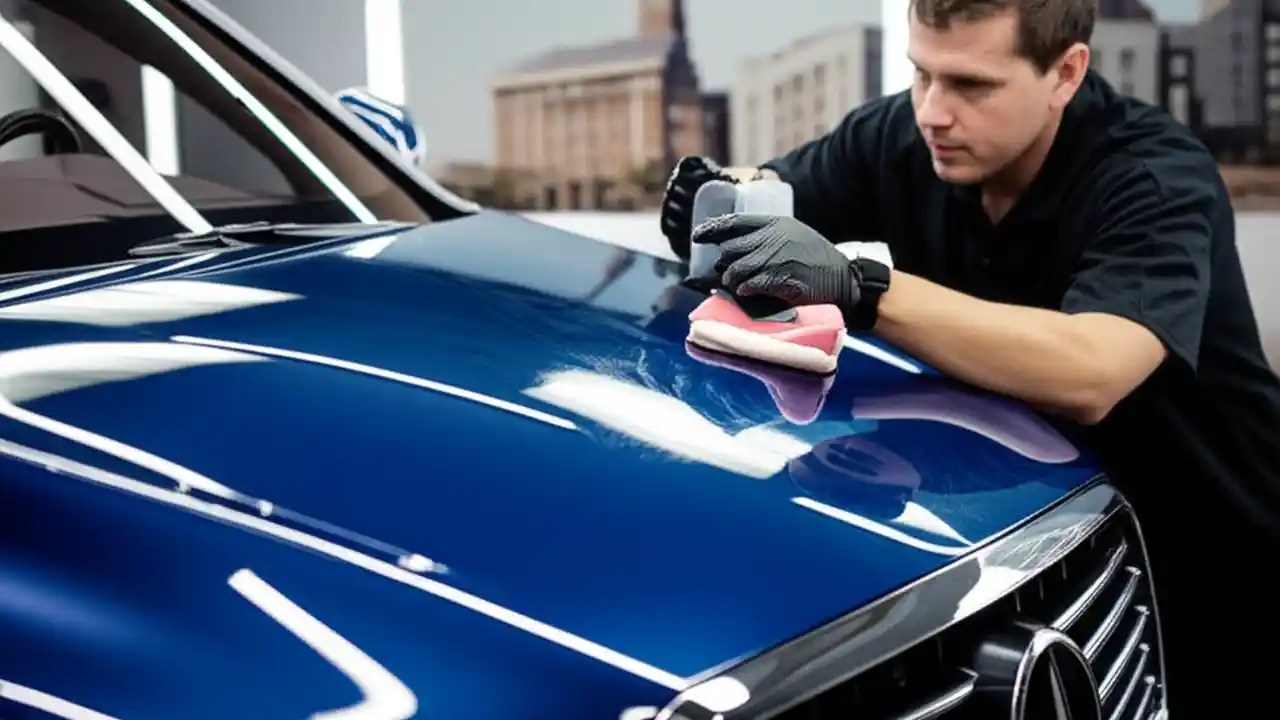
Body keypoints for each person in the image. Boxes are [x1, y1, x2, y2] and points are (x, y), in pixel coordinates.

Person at [659, 0, 1280, 714]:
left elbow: (1092, 371)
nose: (933, 111)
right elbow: (775, 197)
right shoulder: (897, 137)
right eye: (922, 74)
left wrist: (864, 287)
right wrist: (721, 201)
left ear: (1065, 73)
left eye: (971, 84)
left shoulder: (1153, 177)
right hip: (1035, 540)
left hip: (1218, 563)